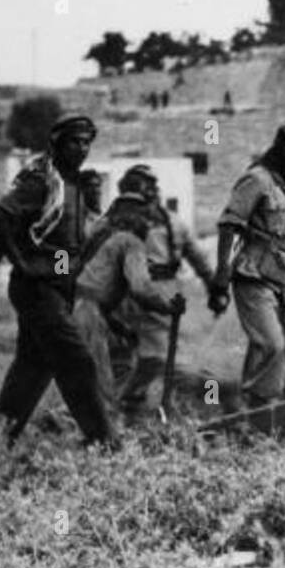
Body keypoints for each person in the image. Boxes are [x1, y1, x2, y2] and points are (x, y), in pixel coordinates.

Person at [0, 114, 113, 446]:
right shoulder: (42, 183)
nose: (82, 148)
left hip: (57, 287)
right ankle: (104, 442)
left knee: (32, 368)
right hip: (37, 288)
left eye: (86, 142)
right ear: (56, 143)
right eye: (74, 141)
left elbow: (71, 244)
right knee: (78, 360)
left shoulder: (74, 186)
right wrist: (22, 262)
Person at [210, 124, 285, 408]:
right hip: (252, 276)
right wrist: (221, 274)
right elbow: (228, 224)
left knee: (270, 349)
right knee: (272, 345)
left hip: (280, 281)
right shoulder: (257, 180)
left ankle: (255, 412)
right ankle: (260, 406)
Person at [108, 165, 216, 415]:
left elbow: (197, 257)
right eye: (138, 188)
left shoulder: (173, 223)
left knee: (161, 354)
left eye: (150, 186)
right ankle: (121, 402)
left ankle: (141, 399)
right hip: (129, 296)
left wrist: (214, 288)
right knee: (139, 356)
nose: (148, 193)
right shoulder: (119, 223)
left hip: (166, 293)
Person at [71, 182, 181, 425]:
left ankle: (83, 420)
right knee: (100, 381)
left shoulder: (102, 236)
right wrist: (168, 307)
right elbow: (140, 288)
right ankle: (106, 437)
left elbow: (93, 284)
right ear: (133, 216)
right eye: (143, 215)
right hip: (86, 310)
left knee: (112, 364)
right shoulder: (130, 242)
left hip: (77, 307)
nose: (147, 222)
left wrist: (118, 327)